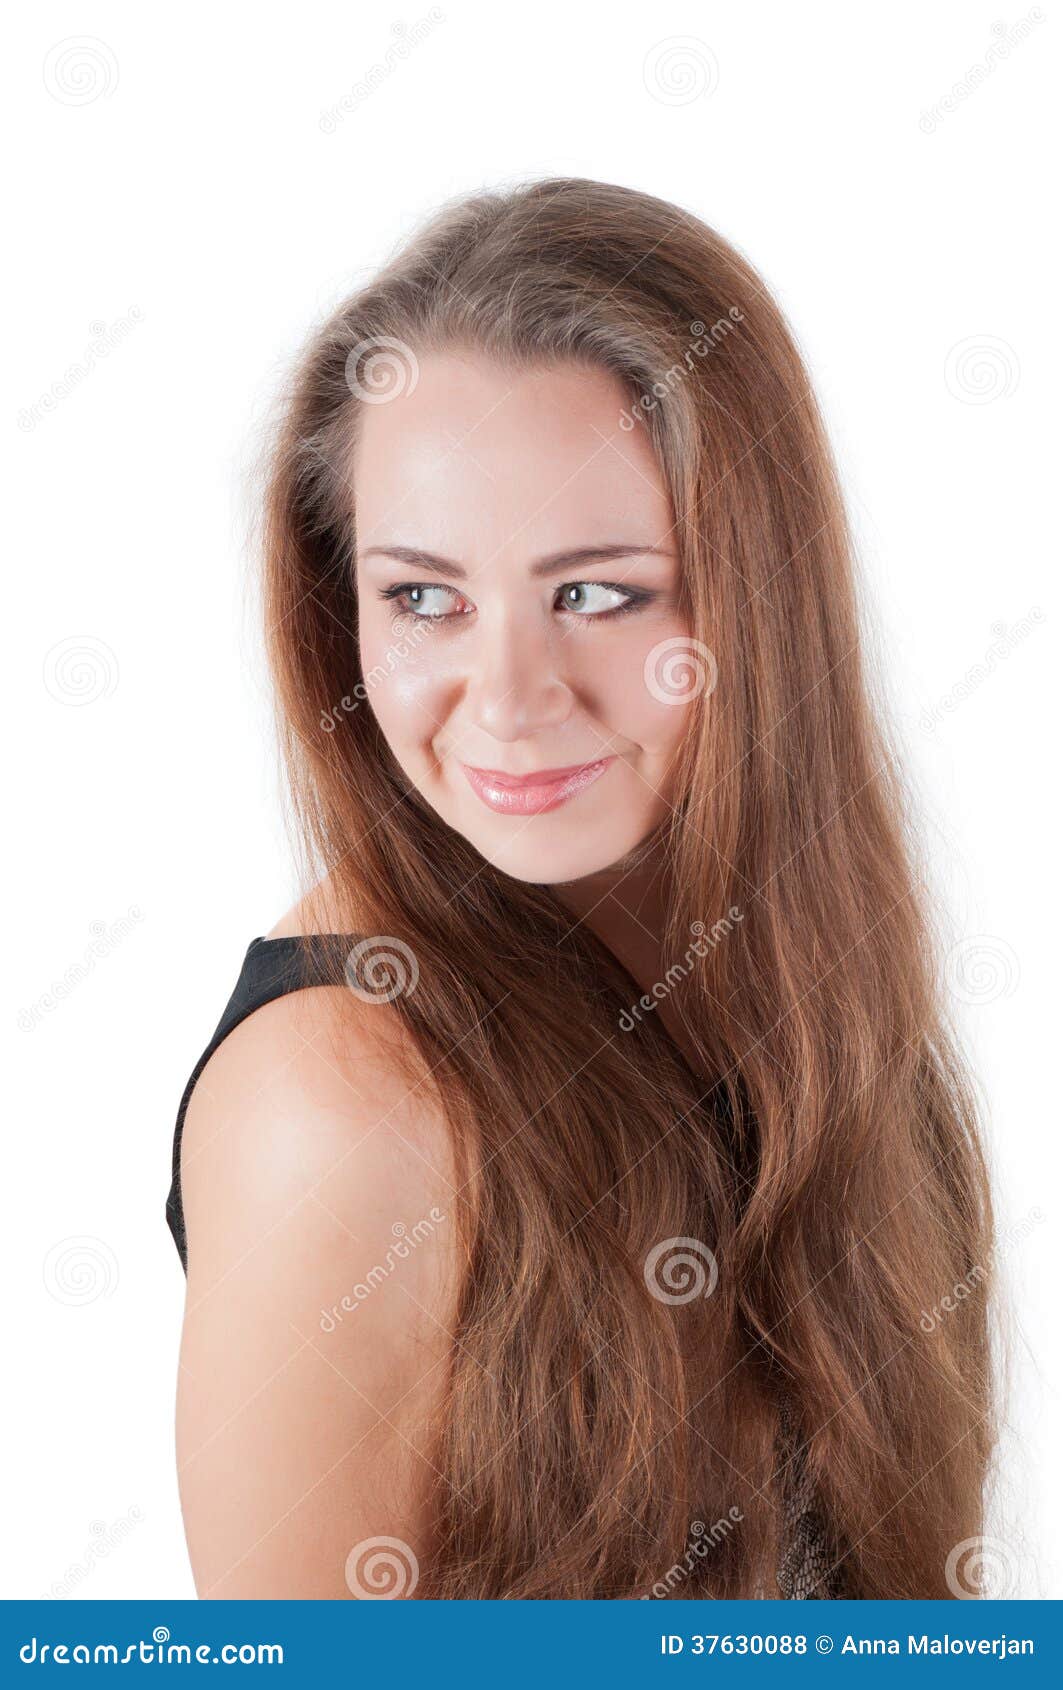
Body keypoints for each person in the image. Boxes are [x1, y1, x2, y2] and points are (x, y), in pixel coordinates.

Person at [167, 177, 994, 1600]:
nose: (508, 700)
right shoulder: (337, 1100)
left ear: (758, 598)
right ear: (337, 608)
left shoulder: (806, 984)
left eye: (599, 592)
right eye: (423, 597)